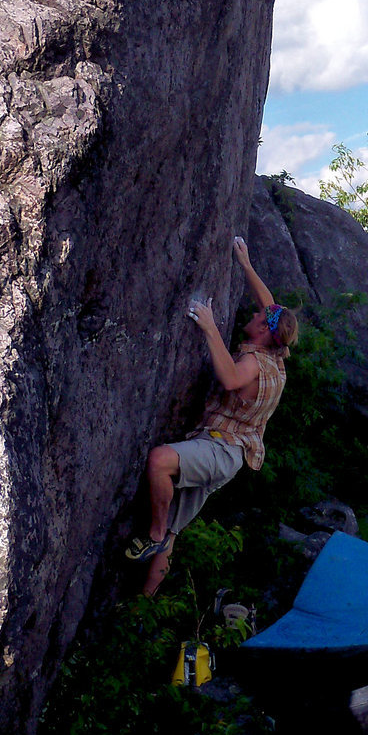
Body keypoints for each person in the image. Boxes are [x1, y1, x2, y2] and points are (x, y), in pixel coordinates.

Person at [126, 236, 297, 596]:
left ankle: (153, 536)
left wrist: (209, 328)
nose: (252, 315)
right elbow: (270, 307)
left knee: (159, 462)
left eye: (257, 318)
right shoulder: (277, 357)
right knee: (176, 528)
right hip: (230, 455)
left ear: (265, 331)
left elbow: (231, 379)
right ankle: (145, 601)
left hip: (220, 451)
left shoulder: (253, 363)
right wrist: (246, 265)